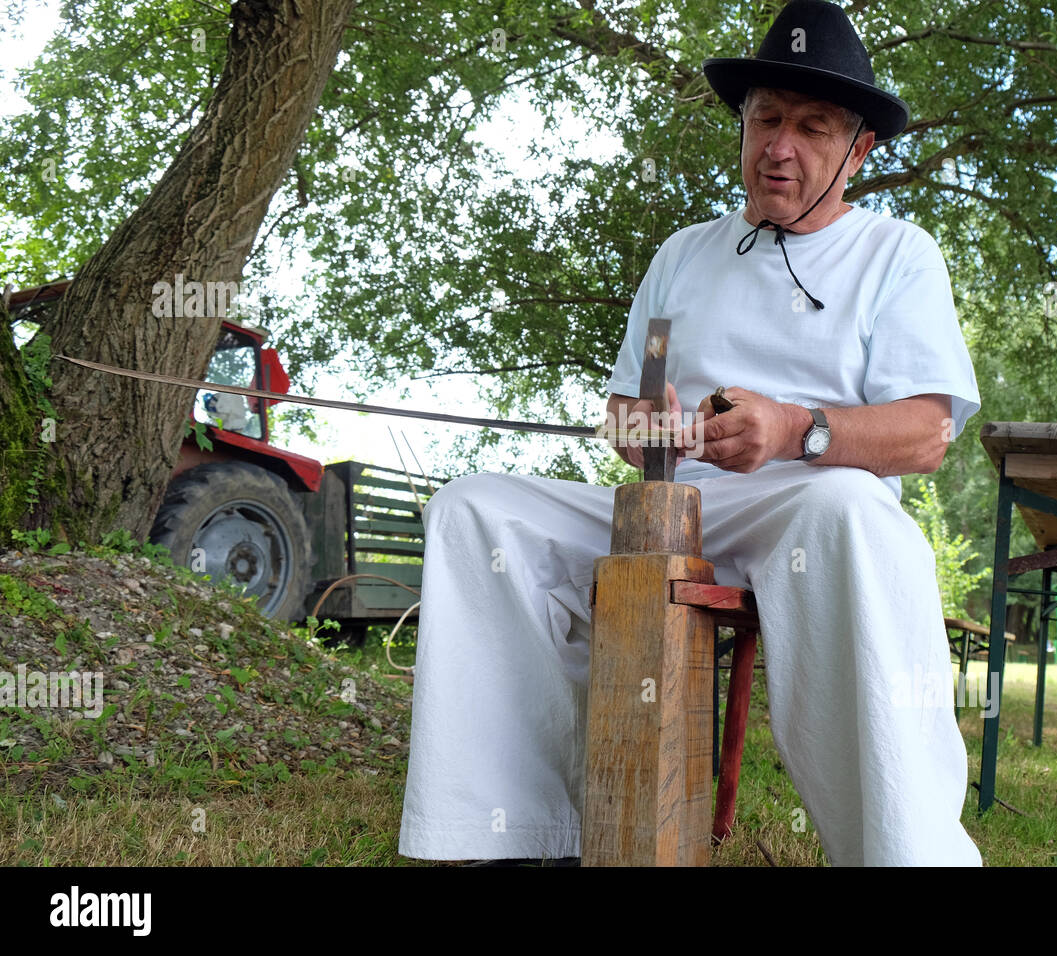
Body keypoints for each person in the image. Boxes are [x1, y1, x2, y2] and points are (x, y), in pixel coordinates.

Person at [398, 0, 982, 866]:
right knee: (475, 510)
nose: (779, 146)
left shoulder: (897, 255)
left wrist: (794, 429)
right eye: (766, 119)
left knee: (856, 514)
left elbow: (927, 435)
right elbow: (629, 408)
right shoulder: (683, 254)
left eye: (812, 128)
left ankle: (904, 852)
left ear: (857, 150)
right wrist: (642, 429)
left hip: (805, 512)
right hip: (666, 513)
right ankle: (516, 837)